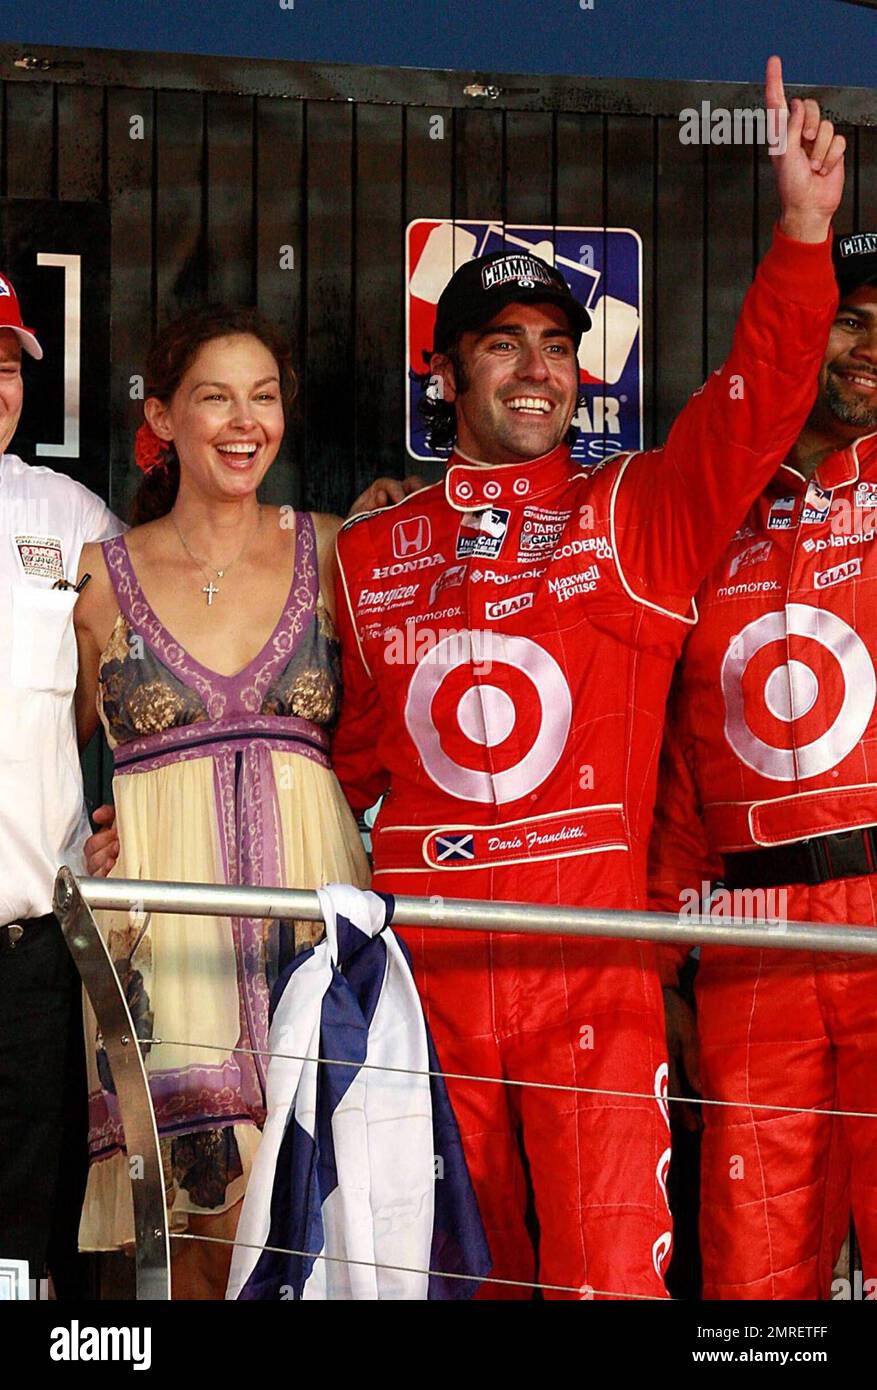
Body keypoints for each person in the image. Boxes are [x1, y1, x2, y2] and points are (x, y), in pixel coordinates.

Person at [329, 58, 845, 1300]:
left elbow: (753, 410)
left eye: (556, 346)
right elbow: (334, 770)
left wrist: (800, 237)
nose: (534, 369)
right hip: (427, 973)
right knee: (454, 1279)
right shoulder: (361, 551)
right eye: (501, 345)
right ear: (444, 375)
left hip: (590, 968)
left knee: (610, 1276)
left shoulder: (638, 514)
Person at [72, 305, 389, 1299]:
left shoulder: (338, 550)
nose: (244, 420)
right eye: (215, 397)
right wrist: (78, 841)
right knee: (188, 1248)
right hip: (164, 952)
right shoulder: (96, 578)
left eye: (264, 397)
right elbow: (30, 757)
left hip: (317, 937)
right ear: (162, 417)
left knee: (326, 1232)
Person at [649, 230, 877, 1300]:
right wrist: (667, 970)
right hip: (749, 938)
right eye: (848, 318)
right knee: (750, 1277)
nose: (869, 345)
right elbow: (677, 761)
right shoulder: (702, 509)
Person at [0, 272, 122, 1298]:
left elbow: (175, 634)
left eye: (4, 367)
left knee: (21, 1235)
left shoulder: (73, 516)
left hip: (27, 959)